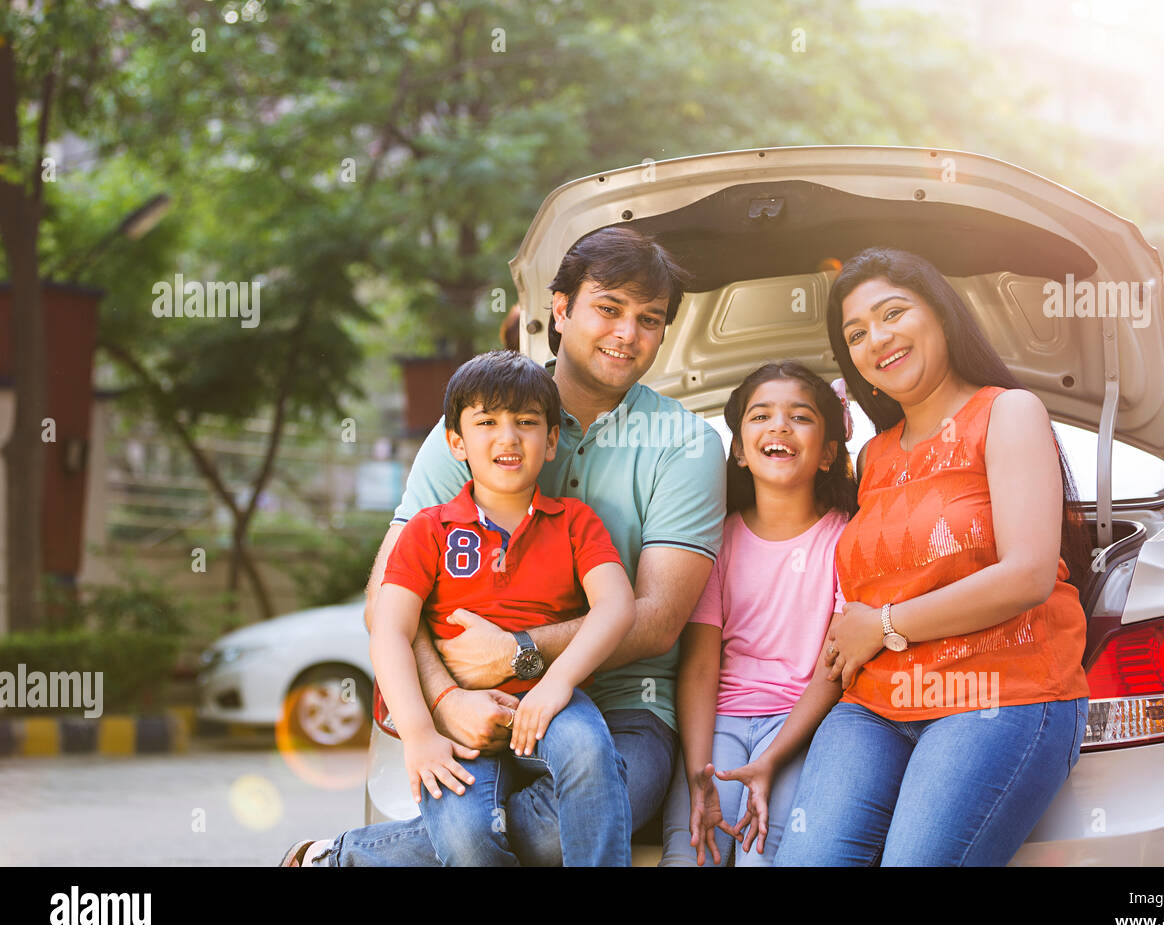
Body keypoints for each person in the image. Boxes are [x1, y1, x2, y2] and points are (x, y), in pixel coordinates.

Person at [283, 226, 725, 866]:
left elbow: (655, 620)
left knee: (556, 830)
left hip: (629, 705)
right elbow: (388, 599)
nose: (628, 333)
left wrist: (520, 655)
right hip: (468, 703)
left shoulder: (686, 444)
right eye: (609, 308)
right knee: (478, 824)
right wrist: (444, 698)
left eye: (649, 319)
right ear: (562, 308)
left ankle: (344, 858)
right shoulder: (472, 423)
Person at [766, 247, 1092, 867]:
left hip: (999, 692)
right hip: (875, 706)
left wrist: (883, 625)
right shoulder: (874, 457)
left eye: (893, 313)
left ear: (940, 313)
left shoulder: (1007, 412)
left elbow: (1025, 574)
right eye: (856, 334)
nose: (876, 339)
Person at [370, 349, 635, 865]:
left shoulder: (574, 522)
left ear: (552, 439)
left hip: (552, 699)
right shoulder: (430, 528)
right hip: (455, 716)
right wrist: (420, 733)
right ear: (456, 442)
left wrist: (557, 684)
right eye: (487, 421)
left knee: (589, 753)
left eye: (527, 422)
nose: (508, 437)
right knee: (467, 838)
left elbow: (617, 608)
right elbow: (389, 630)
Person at [658, 362, 857, 867]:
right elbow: (701, 666)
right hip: (720, 724)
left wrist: (770, 761)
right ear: (741, 452)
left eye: (800, 417)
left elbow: (832, 669)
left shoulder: (846, 541)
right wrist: (700, 772)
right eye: (761, 416)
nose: (779, 427)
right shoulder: (716, 539)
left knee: (760, 858)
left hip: (798, 728)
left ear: (829, 453)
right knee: (691, 853)